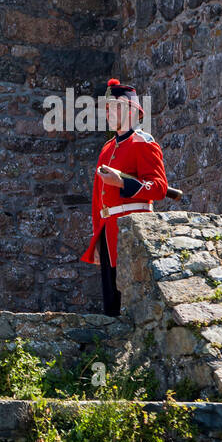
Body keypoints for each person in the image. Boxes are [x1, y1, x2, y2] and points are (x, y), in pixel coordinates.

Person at [79, 78, 167, 317]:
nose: (109, 112)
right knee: (111, 304)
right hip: (108, 233)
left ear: (131, 110)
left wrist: (123, 183)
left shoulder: (143, 144)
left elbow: (159, 187)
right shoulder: (107, 149)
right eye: (108, 108)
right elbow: (98, 201)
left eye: (115, 106)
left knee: (130, 302)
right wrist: (97, 239)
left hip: (132, 229)